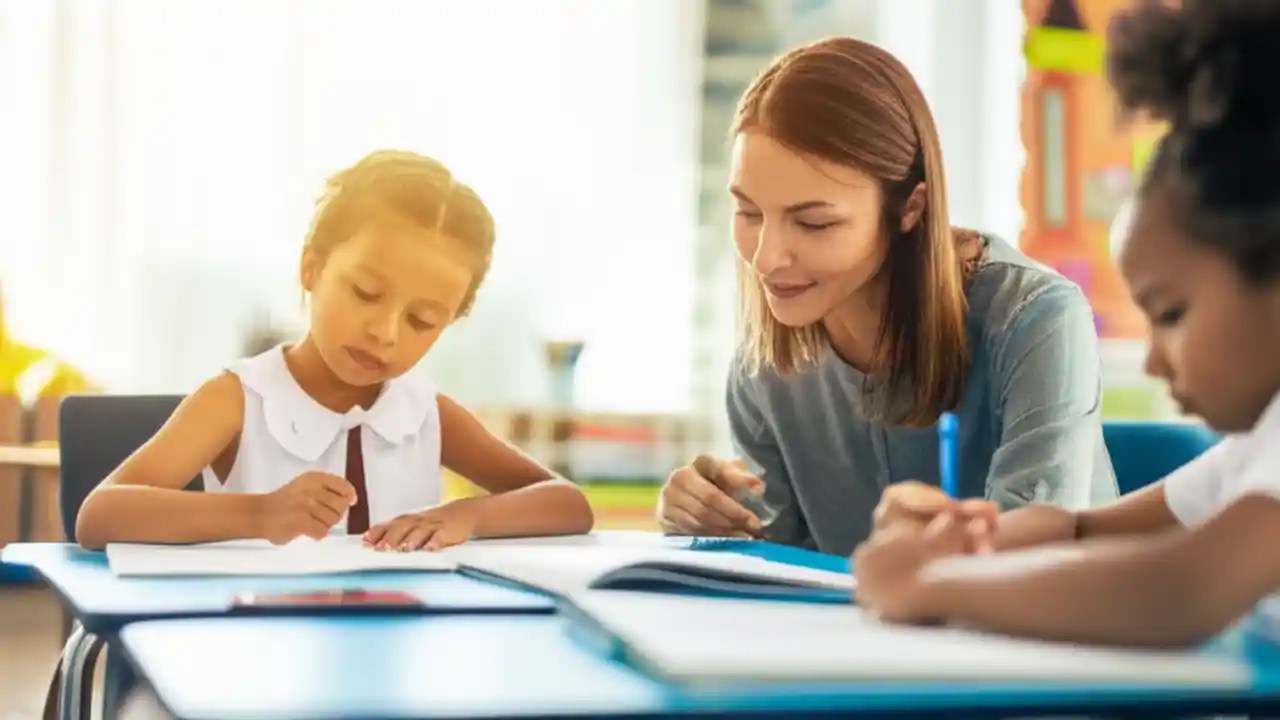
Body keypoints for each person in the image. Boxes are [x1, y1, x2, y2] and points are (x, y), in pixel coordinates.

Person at [854, 0, 1280, 647]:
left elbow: (1180, 591)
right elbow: (1083, 529)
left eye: (1171, 314)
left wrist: (931, 586)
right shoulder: (1252, 453)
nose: (1157, 362)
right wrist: (973, 536)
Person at [657, 37, 1117, 555]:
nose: (765, 258)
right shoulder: (763, 363)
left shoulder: (1036, 320)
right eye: (749, 213)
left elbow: (1029, 556)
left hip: (1038, 631)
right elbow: (779, 564)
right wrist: (709, 520)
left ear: (910, 208)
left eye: (813, 223)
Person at [75, 150, 594, 551]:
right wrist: (257, 515)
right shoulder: (237, 398)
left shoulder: (425, 412)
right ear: (313, 269)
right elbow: (100, 516)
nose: (385, 332)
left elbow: (568, 505)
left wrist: (466, 516)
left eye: (422, 320)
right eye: (365, 294)